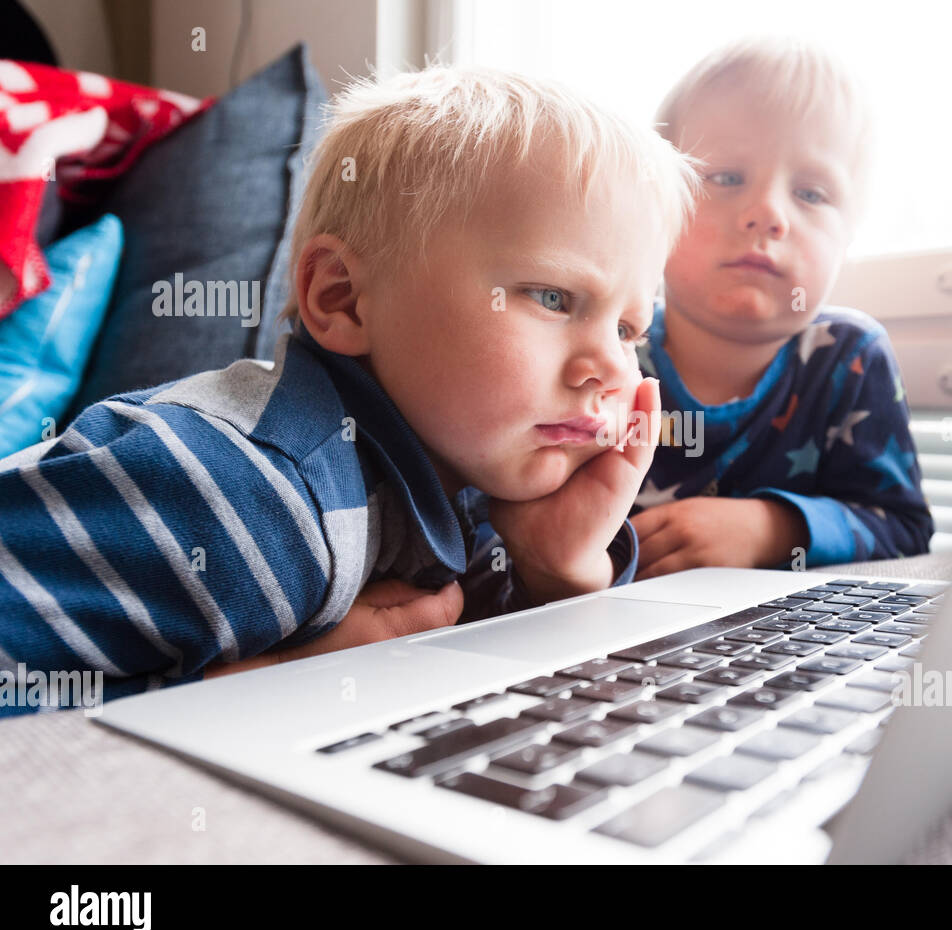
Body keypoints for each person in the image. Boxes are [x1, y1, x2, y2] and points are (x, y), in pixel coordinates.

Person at [0, 64, 698, 712]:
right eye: (552, 296)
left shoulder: (466, 490)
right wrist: (253, 693)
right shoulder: (245, 495)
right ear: (342, 298)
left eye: (632, 329)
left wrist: (560, 569)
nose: (609, 368)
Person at [629, 37, 934, 579]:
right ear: (658, 206)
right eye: (725, 178)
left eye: (812, 194)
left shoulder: (850, 358)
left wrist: (771, 529)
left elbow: (903, 527)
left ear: (849, 236)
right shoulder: (610, 351)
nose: (768, 213)